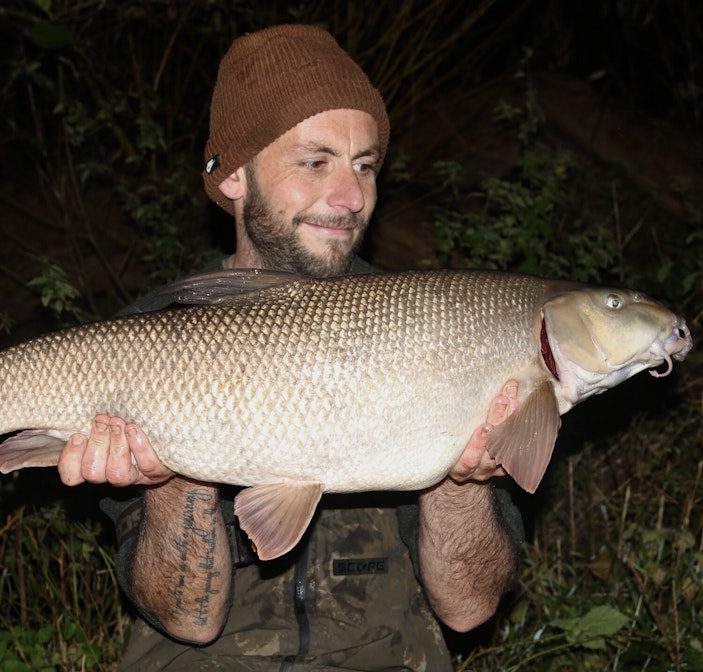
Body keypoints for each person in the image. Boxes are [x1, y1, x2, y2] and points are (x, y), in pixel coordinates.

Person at [57, 24, 524, 671]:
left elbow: (469, 608)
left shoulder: (431, 323)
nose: (352, 196)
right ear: (234, 178)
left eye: (366, 165)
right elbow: (186, 619)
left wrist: (460, 480)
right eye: (316, 161)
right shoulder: (149, 338)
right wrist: (172, 476)